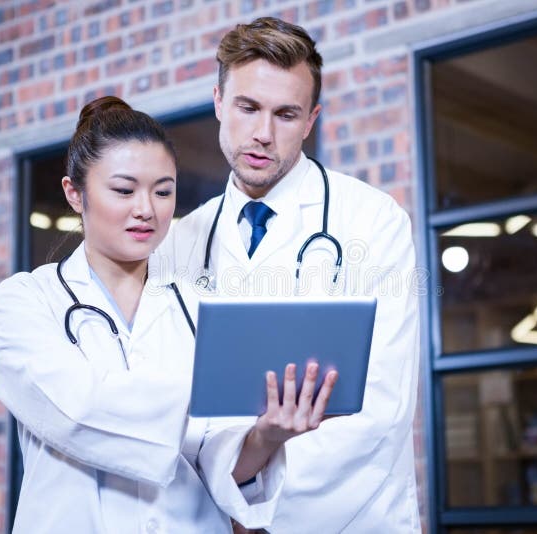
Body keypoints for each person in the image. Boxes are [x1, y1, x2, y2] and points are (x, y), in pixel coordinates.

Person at [0, 96, 337, 533]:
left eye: (163, 190)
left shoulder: (200, 308)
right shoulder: (25, 302)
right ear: (75, 194)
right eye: (123, 189)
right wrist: (212, 387)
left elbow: (222, 461)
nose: (146, 209)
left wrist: (268, 434)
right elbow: (77, 410)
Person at [158, 17, 421, 532]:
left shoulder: (372, 220)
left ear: (310, 120)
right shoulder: (177, 244)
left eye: (286, 114)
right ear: (217, 101)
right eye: (247, 107)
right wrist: (233, 489)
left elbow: (380, 409)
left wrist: (255, 510)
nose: (262, 133)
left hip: (342, 519)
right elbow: (174, 408)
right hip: (210, 512)